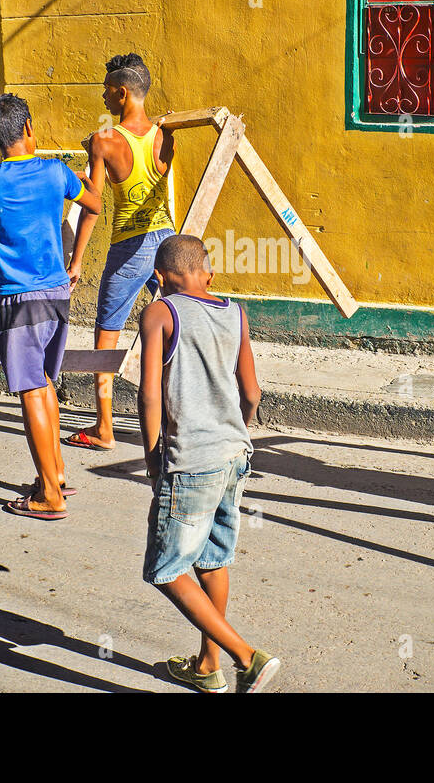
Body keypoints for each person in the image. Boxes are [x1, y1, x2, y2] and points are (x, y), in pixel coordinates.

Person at [0, 93, 101, 520]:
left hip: (18, 299)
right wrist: (76, 259)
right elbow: (96, 204)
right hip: (57, 293)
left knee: (30, 390)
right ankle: (56, 474)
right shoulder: (54, 172)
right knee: (44, 382)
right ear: (30, 128)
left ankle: (49, 494)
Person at [137, 234, 280, 693]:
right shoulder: (235, 312)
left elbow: (149, 395)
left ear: (158, 279)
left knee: (166, 569)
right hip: (234, 454)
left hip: (191, 461)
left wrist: (153, 460)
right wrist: (236, 429)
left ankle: (246, 657)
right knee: (212, 562)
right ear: (208, 275)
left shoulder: (160, 313)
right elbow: (253, 393)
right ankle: (206, 666)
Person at [63, 53, 176, 451]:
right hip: (167, 240)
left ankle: (104, 427)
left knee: (105, 336)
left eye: (108, 92)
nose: (104, 99)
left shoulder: (104, 141)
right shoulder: (167, 135)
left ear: (124, 93)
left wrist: (76, 262)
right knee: (173, 329)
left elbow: (93, 206)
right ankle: (173, 421)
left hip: (129, 244)